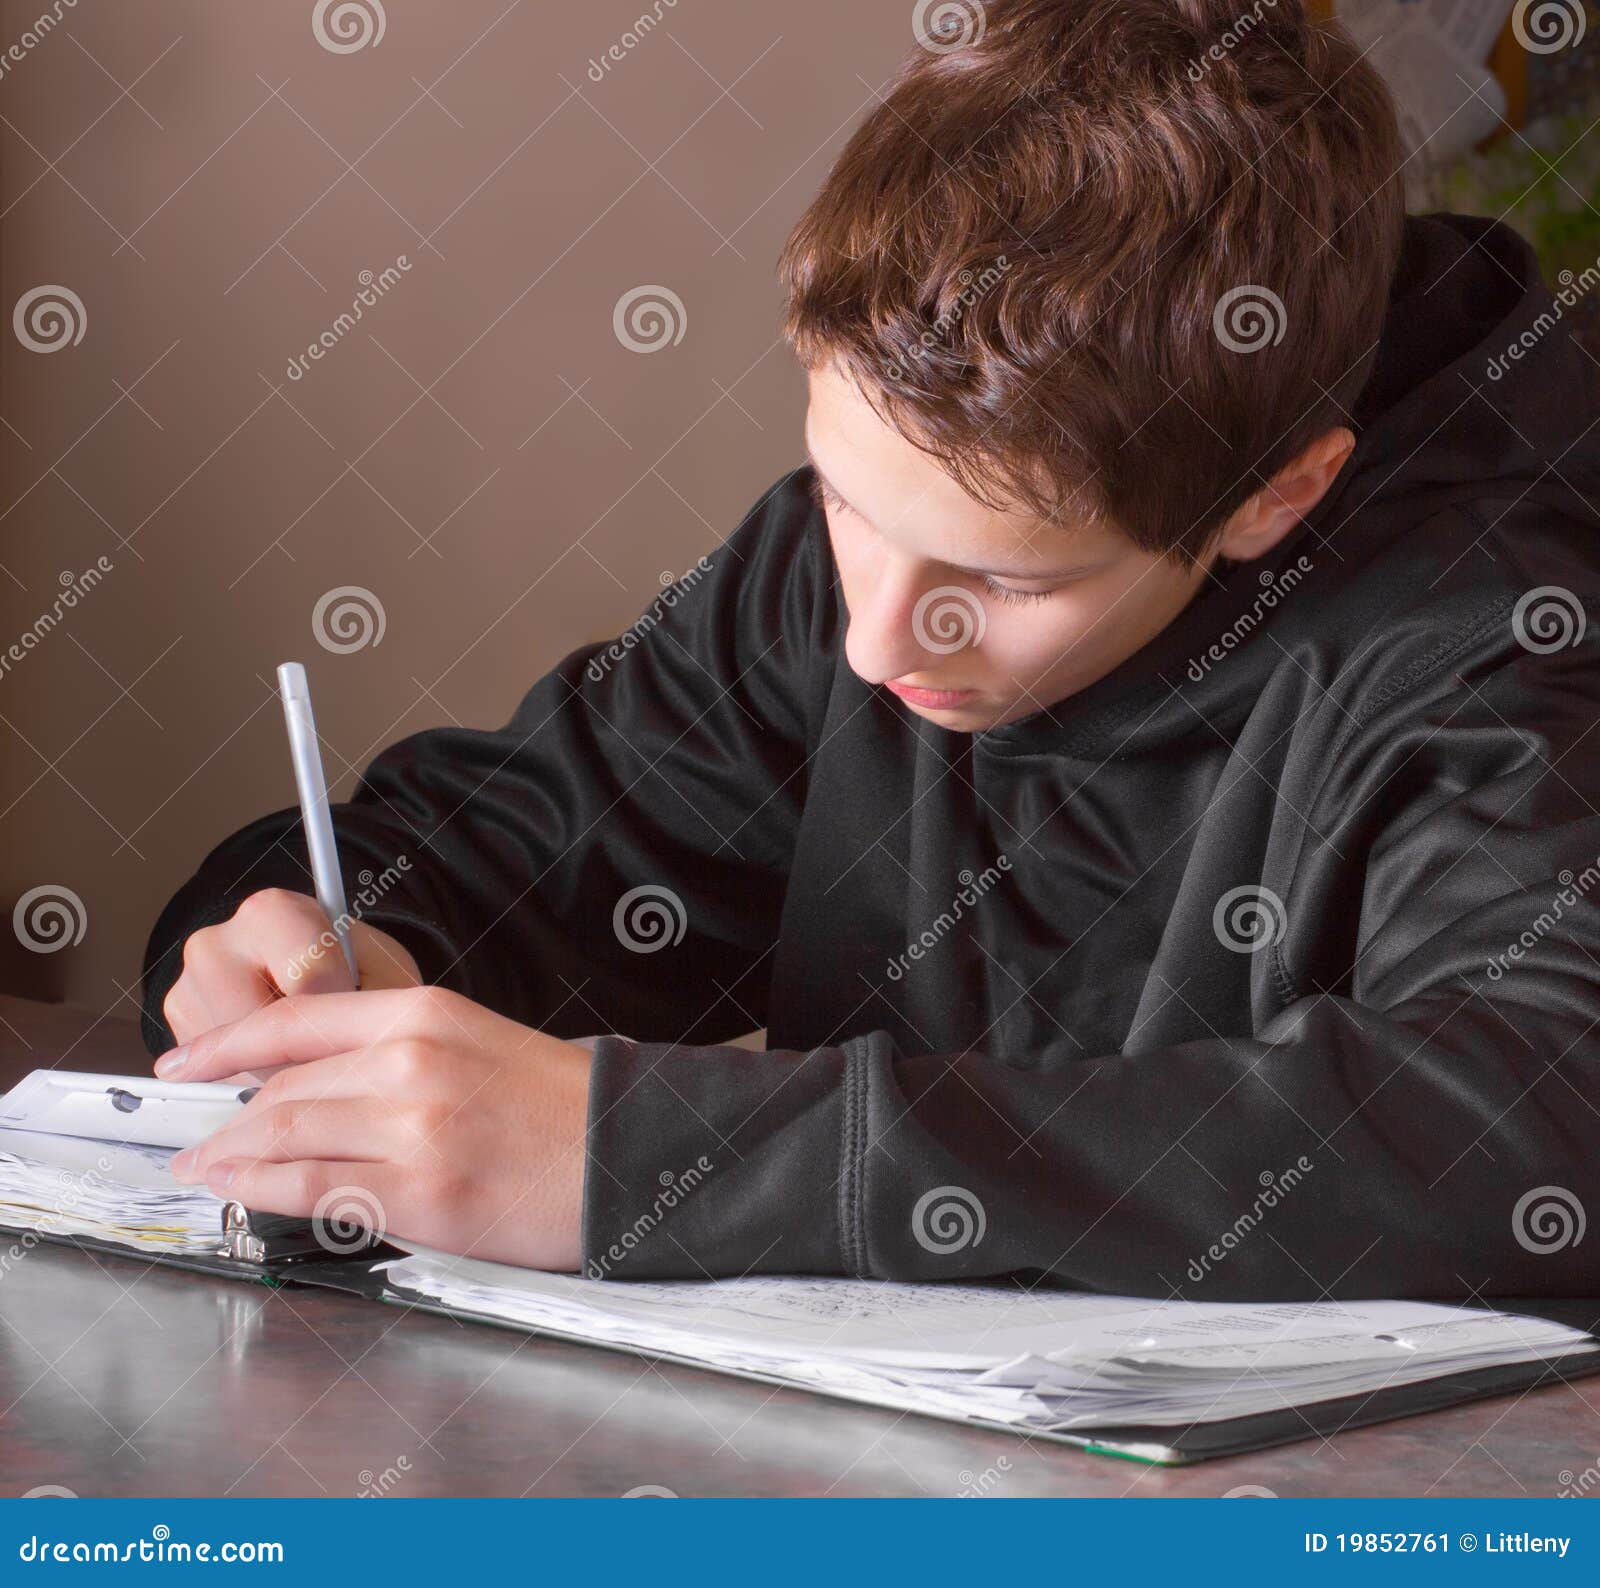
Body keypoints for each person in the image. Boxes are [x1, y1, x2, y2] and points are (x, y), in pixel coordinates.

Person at [141, 0, 1600, 1298]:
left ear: (1275, 495)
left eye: (1002, 577)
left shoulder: (1507, 638)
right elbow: (510, 845)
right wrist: (327, 945)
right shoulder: (844, 585)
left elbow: (1535, 1127)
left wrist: (646, 1156)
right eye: (845, 499)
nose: (875, 636)